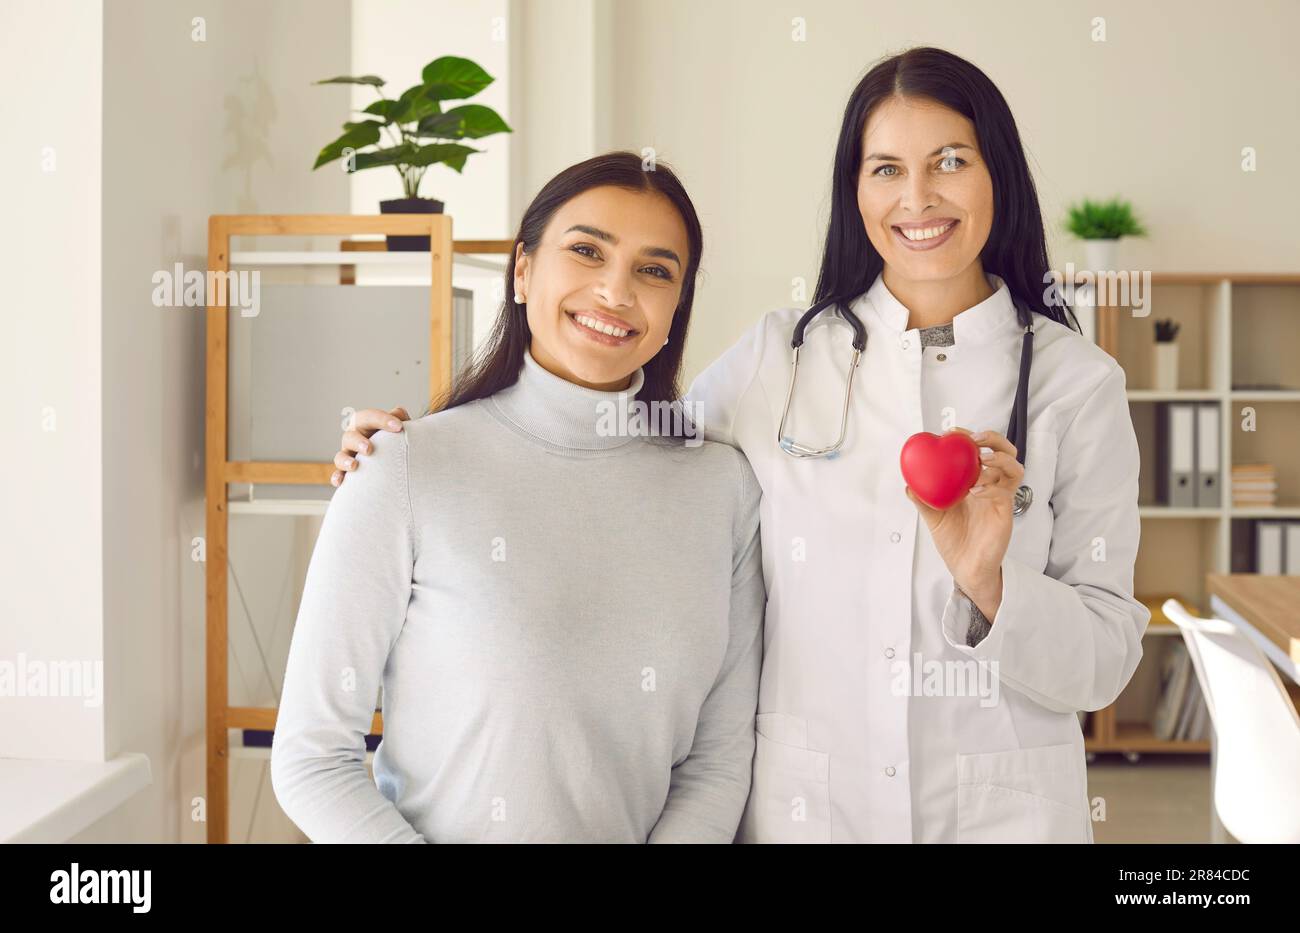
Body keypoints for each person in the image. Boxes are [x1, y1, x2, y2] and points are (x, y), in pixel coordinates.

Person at [335, 47, 1148, 843]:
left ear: (997, 172)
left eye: (950, 161)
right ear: (855, 190)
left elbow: (1106, 660)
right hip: (810, 810)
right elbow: (618, 451)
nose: (918, 197)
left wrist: (989, 583)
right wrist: (420, 452)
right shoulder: (776, 358)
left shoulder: (1079, 387)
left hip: (1003, 813)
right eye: (886, 169)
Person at [271, 152, 765, 843]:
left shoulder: (723, 490)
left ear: (676, 303)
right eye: (587, 251)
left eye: (655, 270)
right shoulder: (406, 468)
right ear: (523, 270)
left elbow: (716, 762)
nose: (616, 291)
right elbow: (311, 755)